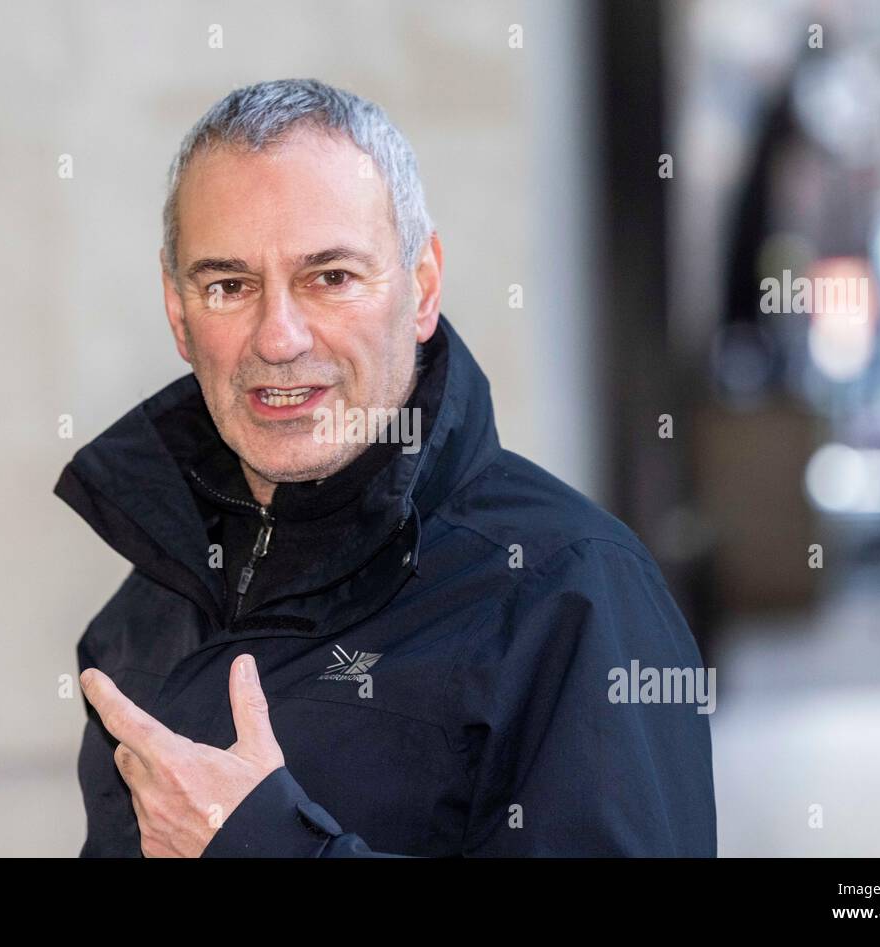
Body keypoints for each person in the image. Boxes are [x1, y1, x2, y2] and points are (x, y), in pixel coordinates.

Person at [54, 78, 717, 857]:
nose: (280, 337)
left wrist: (273, 846)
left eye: (330, 277)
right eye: (229, 286)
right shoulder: (141, 616)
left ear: (423, 286)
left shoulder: (570, 594)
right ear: (178, 312)